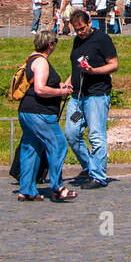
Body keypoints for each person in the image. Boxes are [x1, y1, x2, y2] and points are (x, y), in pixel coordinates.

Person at [17, 31, 77, 202]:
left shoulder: (31, 59)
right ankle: (57, 187)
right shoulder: (42, 62)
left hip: (26, 112)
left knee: (31, 149)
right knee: (58, 145)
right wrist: (61, 92)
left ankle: (27, 190)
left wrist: (60, 85)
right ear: (50, 44)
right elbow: (40, 89)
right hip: (40, 114)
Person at [62, 9, 118, 189]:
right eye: (76, 30)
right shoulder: (77, 40)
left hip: (96, 96)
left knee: (96, 135)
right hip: (77, 97)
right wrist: (67, 83)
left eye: (82, 29)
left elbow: (114, 65)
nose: (79, 33)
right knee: (72, 132)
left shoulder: (102, 39)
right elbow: (76, 67)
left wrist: (94, 71)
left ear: (89, 23)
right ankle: (89, 166)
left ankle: (99, 176)